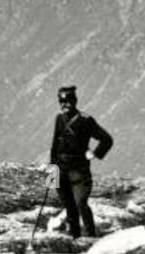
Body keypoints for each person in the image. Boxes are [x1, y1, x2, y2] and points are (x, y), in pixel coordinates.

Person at [48, 86, 113, 238]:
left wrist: (95, 153)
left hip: (79, 171)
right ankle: (74, 236)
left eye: (68, 101)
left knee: (80, 204)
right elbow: (55, 145)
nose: (64, 104)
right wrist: (51, 172)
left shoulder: (86, 120)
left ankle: (91, 235)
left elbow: (107, 139)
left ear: (75, 101)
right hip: (61, 169)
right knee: (69, 205)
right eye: (62, 101)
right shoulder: (59, 119)